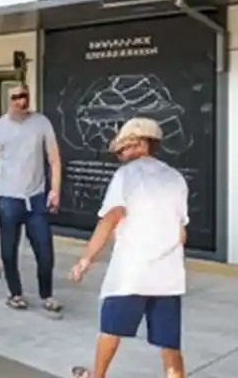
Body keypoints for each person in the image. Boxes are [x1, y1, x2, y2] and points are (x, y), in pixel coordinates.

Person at [69, 118, 189, 378]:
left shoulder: (125, 176)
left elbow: (111, 218)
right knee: (170, 346)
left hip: (131, 273)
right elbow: (181, 233)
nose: (121, 153)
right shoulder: (176, 178)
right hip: (168, 277)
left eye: (125, 147)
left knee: (110, 331)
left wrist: (85, 259)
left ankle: (98, 376)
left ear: (141, 144)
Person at [0, 84, 62, 315]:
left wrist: (55, 190)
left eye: (25, 96)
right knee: (8, 252)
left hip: (36, 198)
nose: (22, 101)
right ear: (8, 100)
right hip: (8, 198)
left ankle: (47, 295)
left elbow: (54, 159)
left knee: (45, 252)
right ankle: (15, 293)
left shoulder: (41, 123)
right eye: (16, 97)